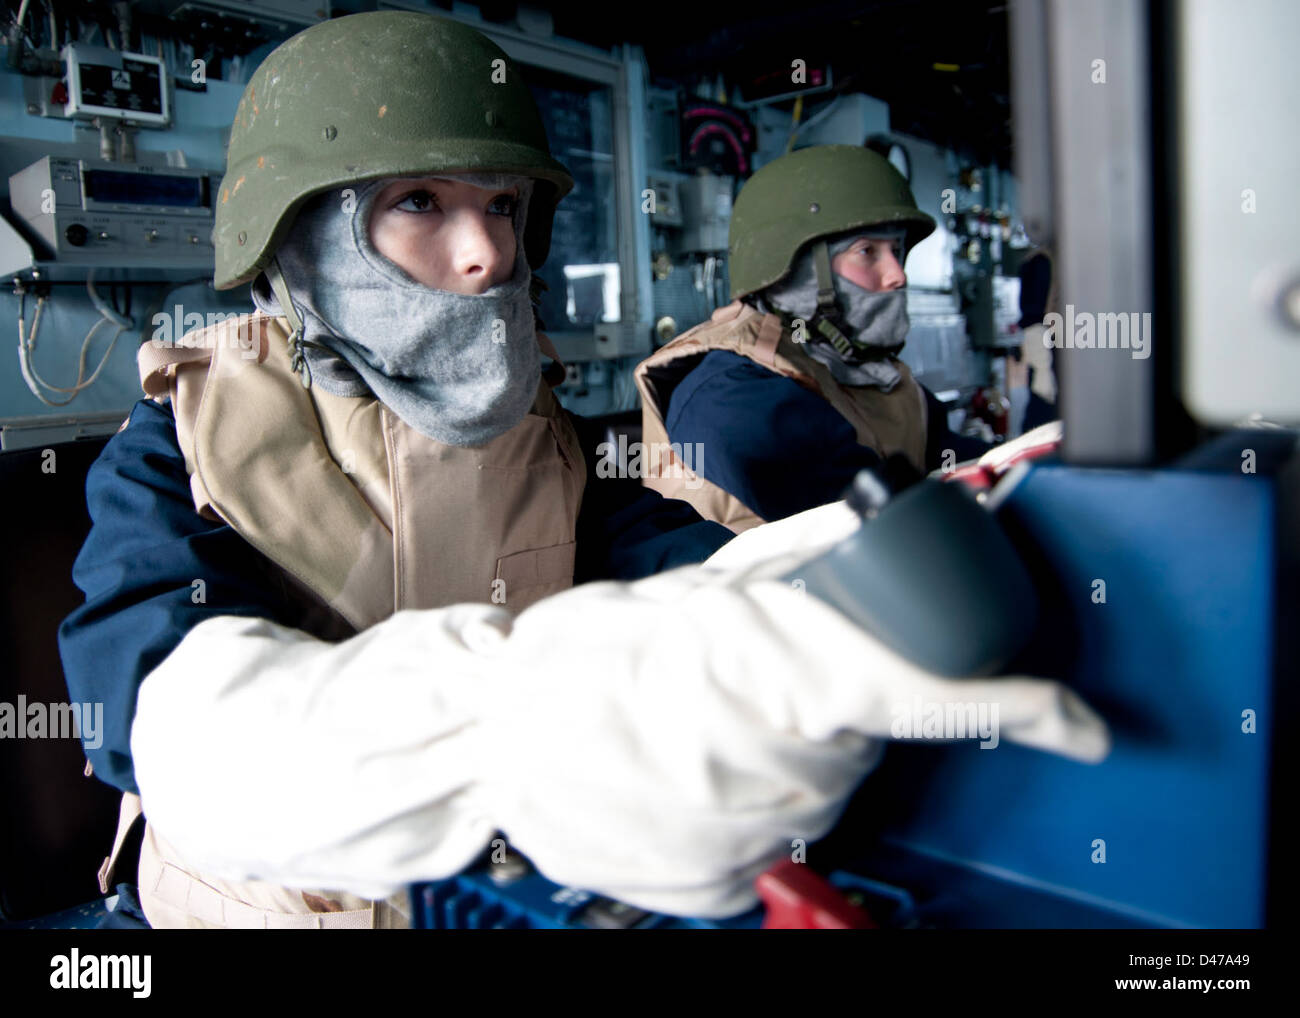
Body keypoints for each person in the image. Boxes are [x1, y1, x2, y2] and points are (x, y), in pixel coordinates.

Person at [59, 12, 1106, 929]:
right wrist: (516, 728)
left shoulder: (534, 428)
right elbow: (168, 726)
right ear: (301, 237)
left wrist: (821, 586)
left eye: (503, 206)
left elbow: (659, 550)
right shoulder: (180, 442)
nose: (482, 253)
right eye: (420, 202)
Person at [636, 144, 989, 533]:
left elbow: (969, 469)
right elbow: (891, 527)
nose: (897, 275)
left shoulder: (877, 378)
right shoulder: (730, 396)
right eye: (867, 251)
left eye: (897, 251)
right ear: (793, 272)